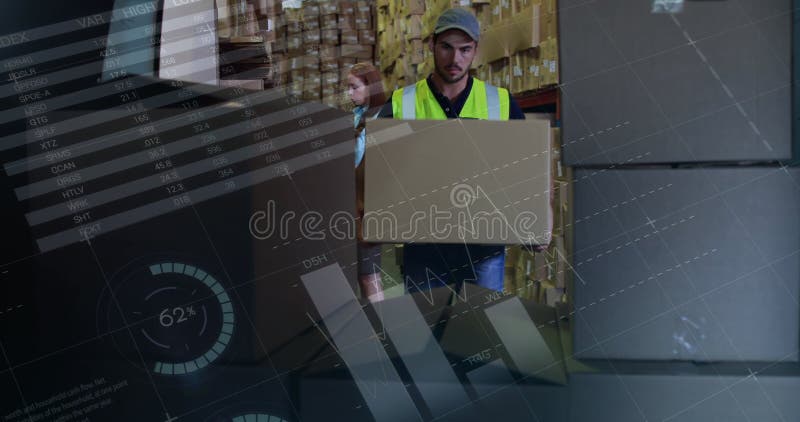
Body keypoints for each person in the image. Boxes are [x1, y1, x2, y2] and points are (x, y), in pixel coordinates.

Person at [377, 8, 527, 293]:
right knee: (426, 321)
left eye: (464, 49)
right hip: (424, 247)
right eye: (446, 47)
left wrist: (542, 218)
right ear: (432, 44)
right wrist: (366, 212)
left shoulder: (501, 103)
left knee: (480, 320)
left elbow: (530, 165)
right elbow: (374, 168)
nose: (455, 59)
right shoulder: (400, 103)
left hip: (484, 247)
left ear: (475, 50)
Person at [347, 63, 387, 302]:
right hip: (353, 204)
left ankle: (381, 320)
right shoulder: (356, 116)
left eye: (354, 87)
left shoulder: (383, 116)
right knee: (361, 275)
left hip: (370, 206)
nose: (349, 93)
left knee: (369, 275)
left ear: (371, 87)